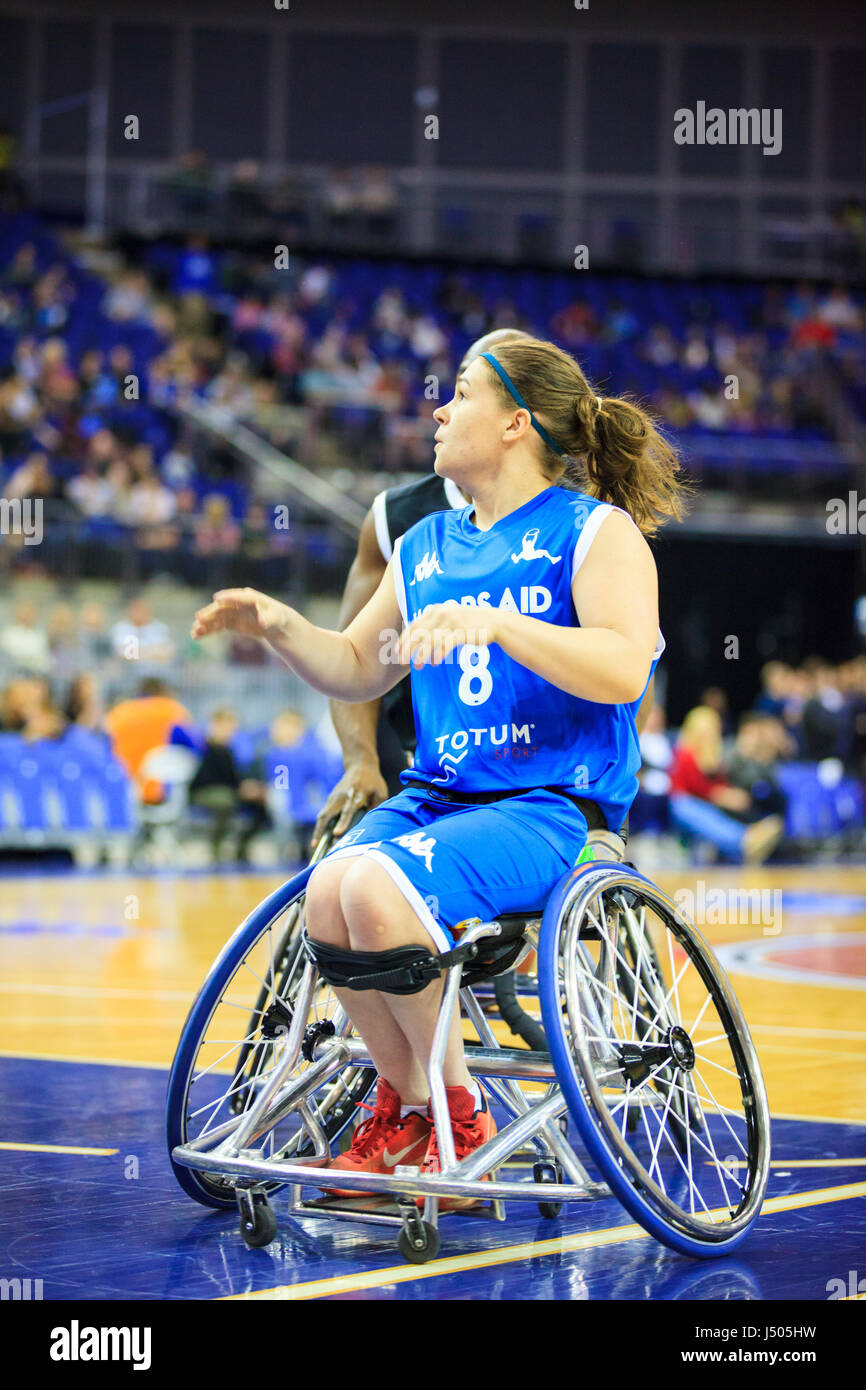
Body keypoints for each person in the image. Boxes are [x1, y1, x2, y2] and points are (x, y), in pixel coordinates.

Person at [192, 334, 685, 1201]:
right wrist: (279, 626)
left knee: (378, 891)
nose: (439, 409)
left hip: (549, 805)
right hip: (441, 797)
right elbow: (356, 664)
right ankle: (415, 1110)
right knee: (329, 890)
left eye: (460, 394)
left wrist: (497, 624)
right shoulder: (424, 544)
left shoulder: (594, 533)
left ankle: (454, 1113)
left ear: (514, 425)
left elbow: (623, 667)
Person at [668, 706, 784, 863]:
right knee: (692, 809)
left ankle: (745, 841)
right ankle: (744, 840)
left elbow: (721, 782)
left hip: (704, 803)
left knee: (719, 810)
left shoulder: (714, 756)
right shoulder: (684, 752)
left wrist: (728, 794)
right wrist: (721, 795)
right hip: (682, 805)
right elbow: (695, 787)